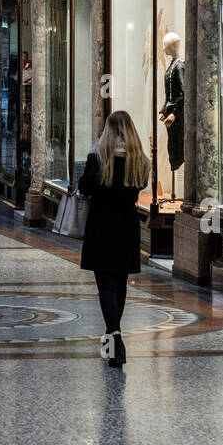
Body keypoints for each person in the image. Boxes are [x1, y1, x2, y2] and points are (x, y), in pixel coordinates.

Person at [78, 110, 150, 368]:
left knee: (105, 285)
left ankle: (115, 337)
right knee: (120, 283)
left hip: (101, 226)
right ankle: (114, 336)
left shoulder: (97, 158)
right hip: (127, 227)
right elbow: (140, 185)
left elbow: (84, 187)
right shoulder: (139, 160)